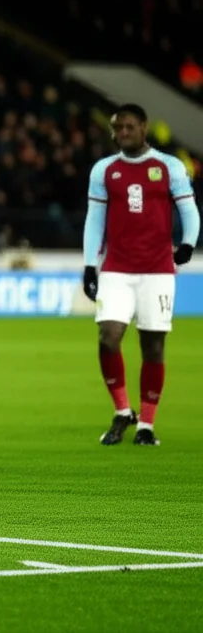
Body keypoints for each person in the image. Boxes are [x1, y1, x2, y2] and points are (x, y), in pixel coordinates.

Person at [82, 103, 199, 446]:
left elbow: (189, 211)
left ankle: (146, 424)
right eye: (117, 128)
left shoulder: (170, 166)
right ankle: (122, 411)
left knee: (154, 346)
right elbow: (94, 220)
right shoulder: (104, 170)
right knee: (108, 337)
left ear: (144, 127)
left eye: (129, 127)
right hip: (116, 269)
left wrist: (188, 243)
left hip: (158, 271)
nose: (122, 134)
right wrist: (90, 263)